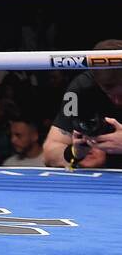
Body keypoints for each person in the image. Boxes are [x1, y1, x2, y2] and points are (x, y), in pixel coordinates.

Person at [42, 40, 122, 169]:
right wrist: (74, 152)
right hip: (101, 178)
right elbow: (50, 151)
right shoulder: (80, 90)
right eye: (110, 94)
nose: (117, 102)